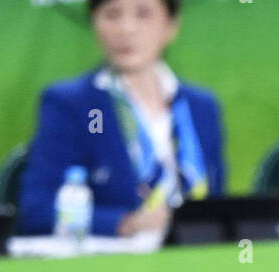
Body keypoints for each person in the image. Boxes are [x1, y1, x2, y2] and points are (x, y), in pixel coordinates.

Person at [17, 0, 226, 237]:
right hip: (114, 263)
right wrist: (126, 224)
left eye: (143, 13)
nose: (126, 29)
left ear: (171, 25)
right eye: (112, 14)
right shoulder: (72, 104)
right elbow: (37, 211)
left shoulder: (201, 107)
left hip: (197, 255)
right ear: (94, 23)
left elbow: (217, 203)